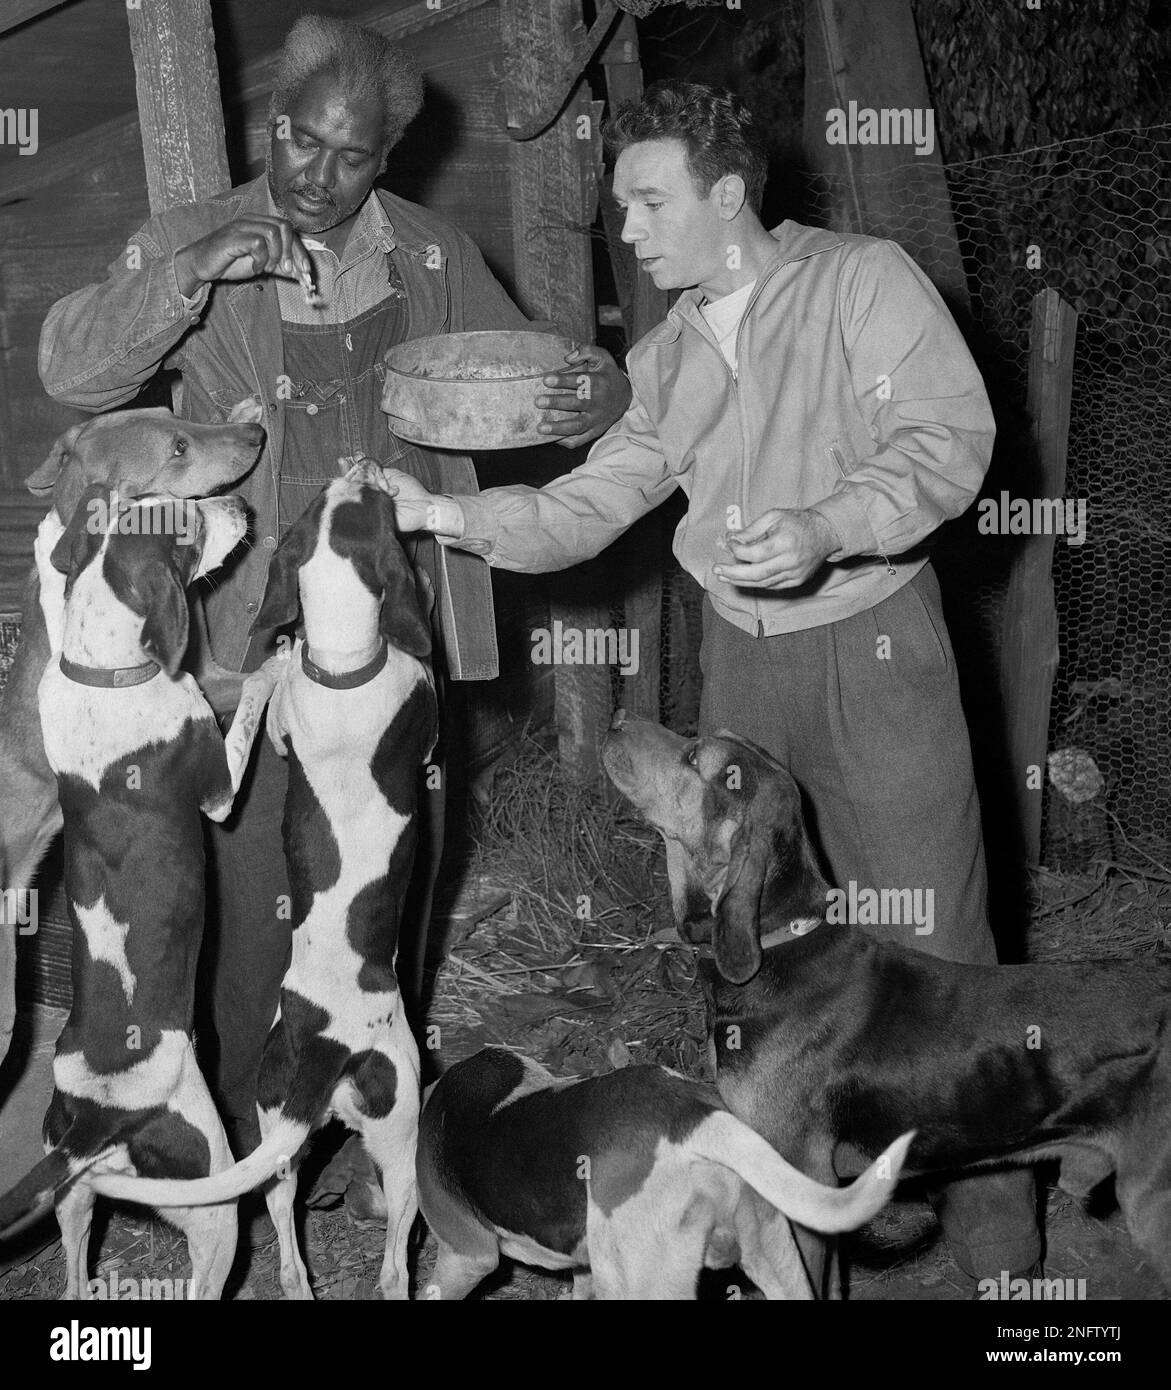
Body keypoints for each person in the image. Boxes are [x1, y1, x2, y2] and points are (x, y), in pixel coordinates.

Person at [385, 80, 1042, 1293]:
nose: (626, 228)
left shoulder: (862, 282)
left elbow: (949, 439)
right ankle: (799, 1241)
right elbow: (593, 501)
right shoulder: (668, 354)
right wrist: (449, 515)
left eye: (648, 200)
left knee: (933, 942)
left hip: (871, 642)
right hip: (741, 663)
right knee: (754, 963)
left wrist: (829, 524)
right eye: (621, 203)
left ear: (726, 195)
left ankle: (1002, 1244)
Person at [37, 14, 630, 1211]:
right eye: (295, 139)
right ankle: (248, 1157)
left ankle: (376, 1137)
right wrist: (188, 276)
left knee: (381, 894)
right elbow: (72, 370)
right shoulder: (190, 240)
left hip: (397, 636)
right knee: (257, 901)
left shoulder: (426, 255)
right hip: (246, 639)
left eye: (347, 156)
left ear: (388, 161)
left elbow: (537, 384)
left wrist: (584, 392)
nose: (312, 173)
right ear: (270, 126)